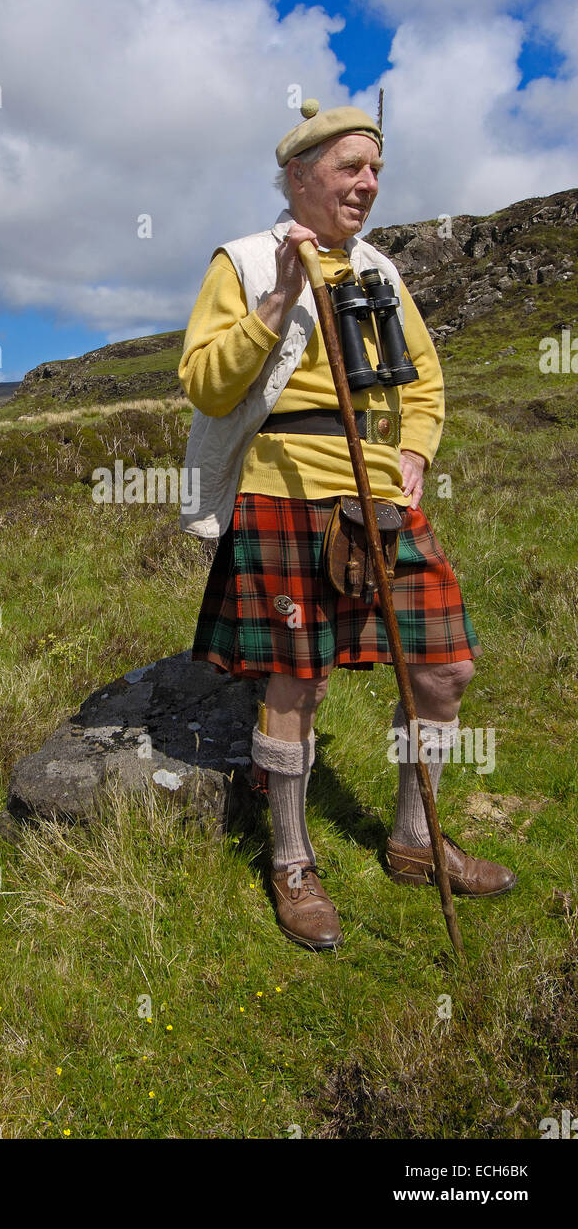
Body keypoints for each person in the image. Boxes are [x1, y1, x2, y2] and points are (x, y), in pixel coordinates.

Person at [178, 99, 515, 950]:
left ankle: (412, 839)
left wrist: (418, 452)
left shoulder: (382, 271)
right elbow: (206, 385)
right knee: (296, 683)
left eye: (374, 170)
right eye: (348, 168)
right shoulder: (247, 260)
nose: (366, 185)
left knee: (443, 670)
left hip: (382, 499)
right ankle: (291, 859)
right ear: (299, 176)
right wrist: (277, 303)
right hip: (284, 491)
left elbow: (426, 381)